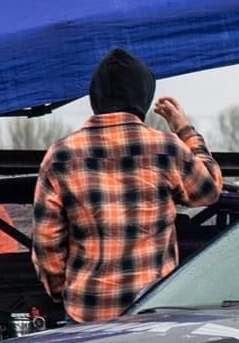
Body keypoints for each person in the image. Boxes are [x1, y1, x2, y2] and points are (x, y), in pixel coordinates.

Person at [33, 47, 223, 322]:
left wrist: (62, 289)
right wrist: (184, 130)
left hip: (87, 312)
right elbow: (210, 189)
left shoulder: (60, 155)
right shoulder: (166, 148)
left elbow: (47, 242)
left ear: (95, 97)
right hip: (152, 311)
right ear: (142, 97)